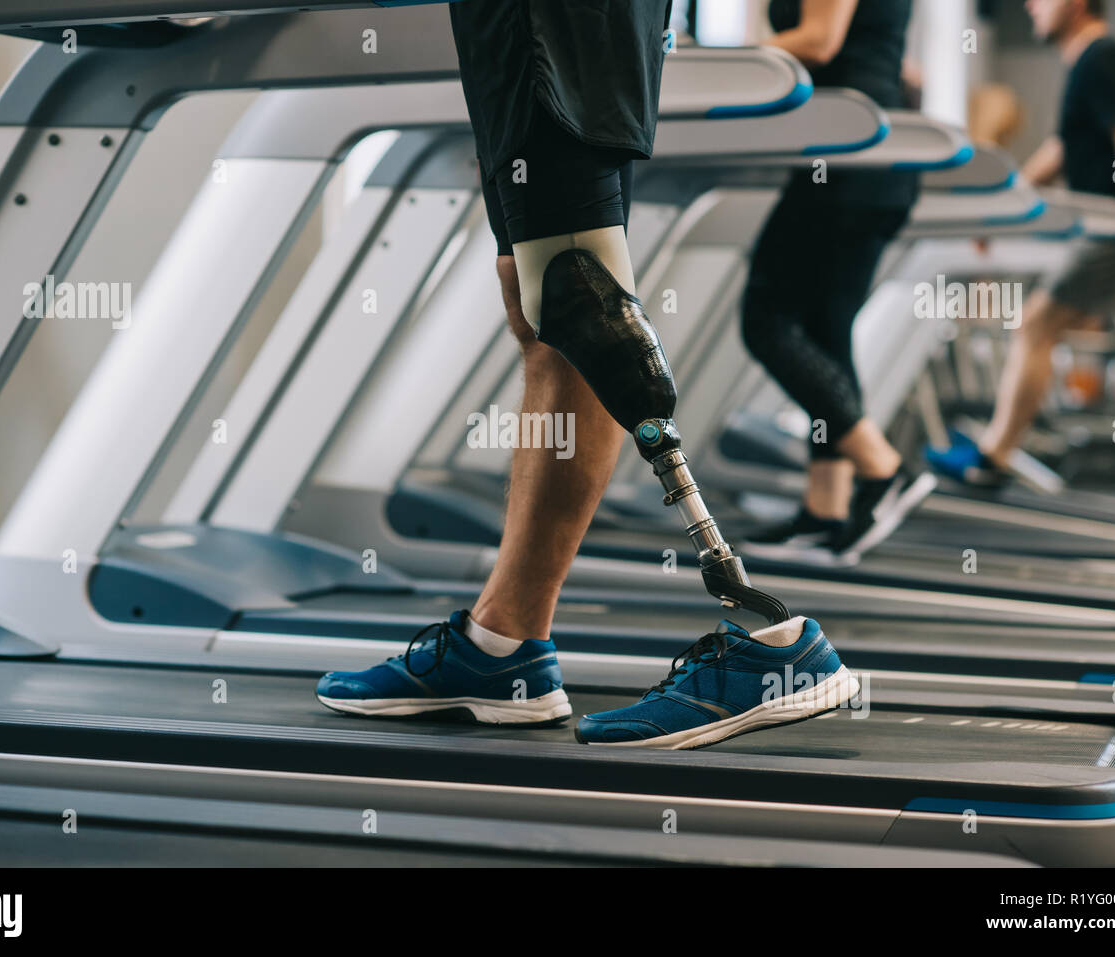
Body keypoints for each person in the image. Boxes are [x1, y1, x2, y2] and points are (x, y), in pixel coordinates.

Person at [313, 0, 856, 749]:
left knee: (574, 290)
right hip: (533, 33)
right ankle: (503, 646)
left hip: (551, 27)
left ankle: (776, 637)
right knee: (542, 309)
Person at [928, 0, 1115, 487]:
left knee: (1035, 327)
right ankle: (993, 457)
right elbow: (1062, 148)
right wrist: (1001, 203)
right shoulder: (1088, 64)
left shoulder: (1103, 58)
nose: (1030, 6)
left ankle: (992, 460)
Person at [739, 0, 933, 559]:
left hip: (846, 156)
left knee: (765, 319)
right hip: (870, 155)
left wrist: (701, 61)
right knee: (827, 330)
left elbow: (821, 41)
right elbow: (907, 72)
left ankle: (884, 469)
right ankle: (826, 506)